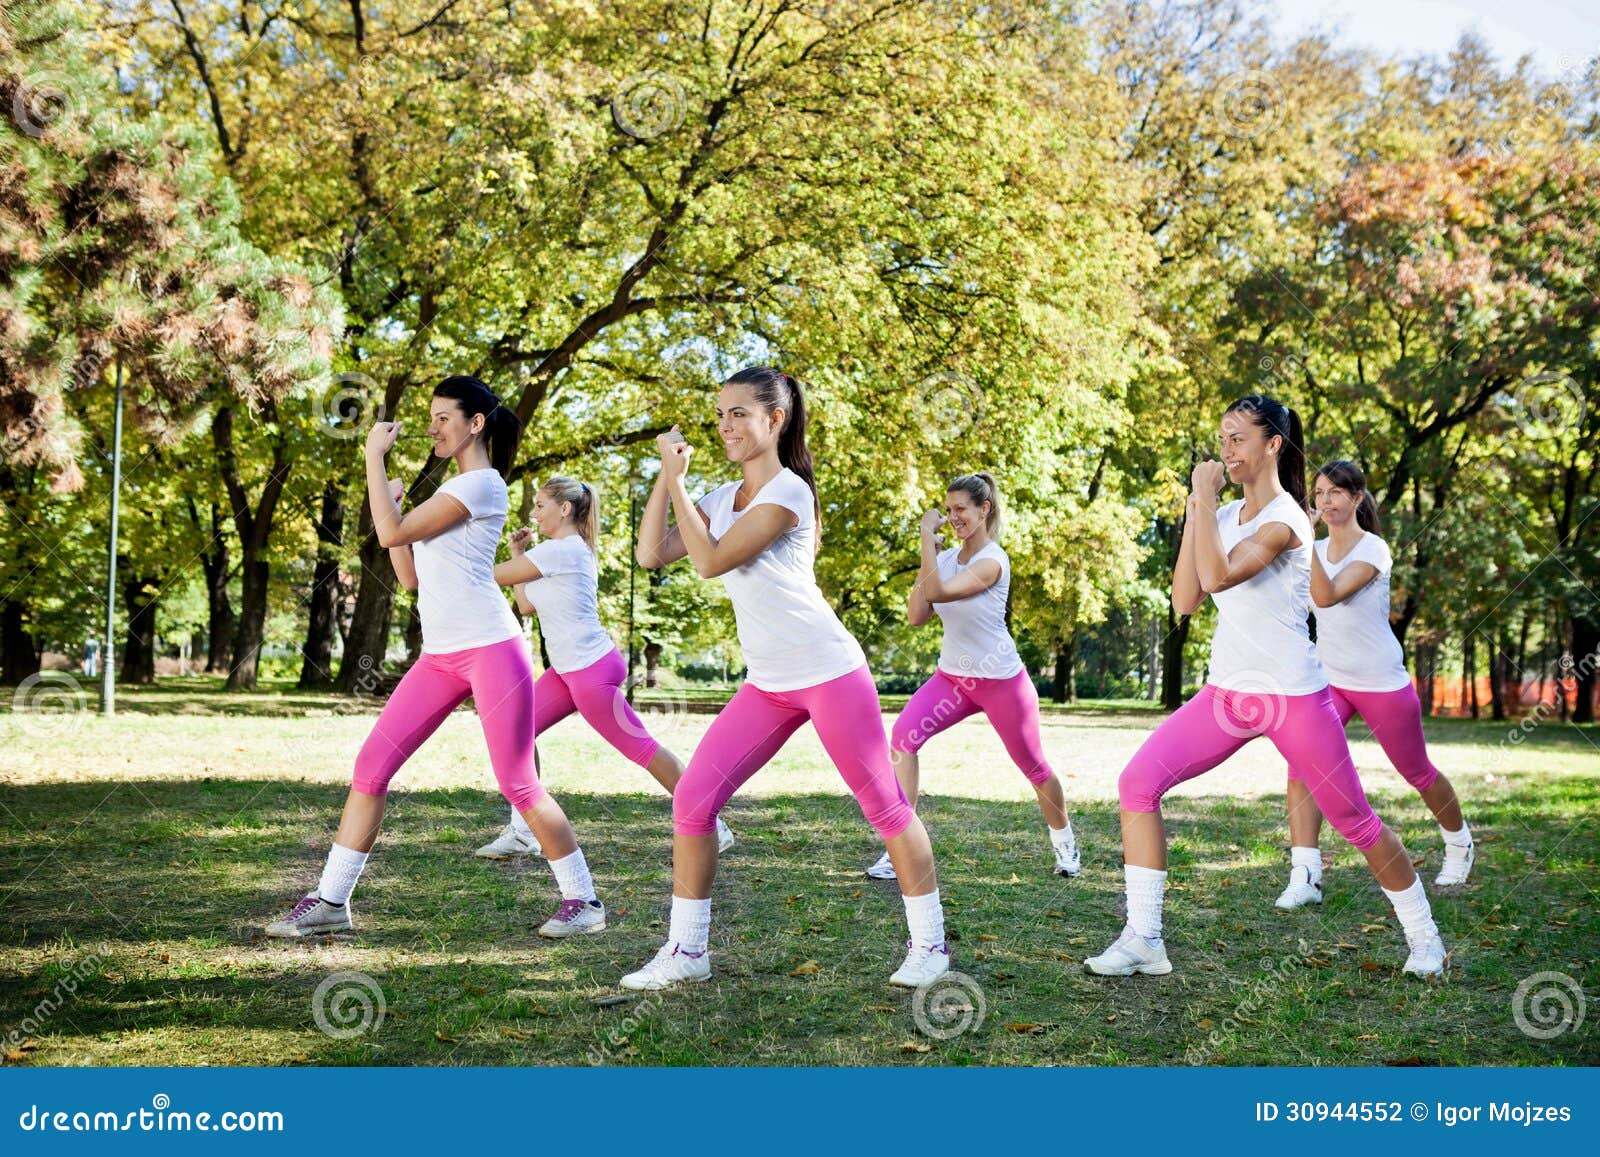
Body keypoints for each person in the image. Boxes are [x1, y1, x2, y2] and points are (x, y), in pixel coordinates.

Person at [1085, 395, 1448, 979]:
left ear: (1273, 443)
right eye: (1222, 439)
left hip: (1292, 697)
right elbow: (1186, 599)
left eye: (1238, 438)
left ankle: (1426, 938)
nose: (1226, 450)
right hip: (1228, 694)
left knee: (1355, 821)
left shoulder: (1289, 519)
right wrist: (1200, 511)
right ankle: (1144, 938)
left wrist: (1203, 500)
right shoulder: (1222, 513)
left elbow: (1219, 575)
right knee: (1137, 783)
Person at [619, 366, 949, 991]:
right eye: (720, 415)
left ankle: (931, 946)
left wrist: (681, 483)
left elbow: (711, 561)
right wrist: (667, 478)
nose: (725, 426)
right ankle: (688, 951)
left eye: (739, 414)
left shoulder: (790, 493)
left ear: (775, 419)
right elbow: (651, 554)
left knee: (884, 805)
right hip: (768, 683)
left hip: (828, 673)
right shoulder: (720, 497)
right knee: (693, 799)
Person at [265, 376, 605, 941]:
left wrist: (374, 459)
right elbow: (408, 575)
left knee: (518, 782)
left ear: (476, 423)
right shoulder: (449, 492)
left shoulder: (484, 485)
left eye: (443, 417)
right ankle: (330, 901)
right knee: (371, 768)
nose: (432, 427)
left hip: (491, 648)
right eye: (432, 417)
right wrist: (395, 506)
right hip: (440, 655)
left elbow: (389, 530)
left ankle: (584, 901)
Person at [475, 475, 733, 858]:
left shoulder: (563, 550)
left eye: (541, 506)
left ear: (564, 509)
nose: (535, 513)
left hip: (590, 672)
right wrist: (517, 551)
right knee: (517, 731)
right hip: (567, 672)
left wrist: (457, 557)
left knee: (642, 749)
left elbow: (488, 576)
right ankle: (525, 831)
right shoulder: (555, 552)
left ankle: (713, 824)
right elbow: (526, 605)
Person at [1275, 460, 1474, 909]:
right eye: (1319, 493)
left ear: (1357, 497)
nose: (1324, 500)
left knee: (1417, 771)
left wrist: (1303, 540)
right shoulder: (1314, 548)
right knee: (1302, 765)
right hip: (1329, 680)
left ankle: (1459, 841)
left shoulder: (1375, 549)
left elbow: (1327, 595)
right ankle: (1305, 875)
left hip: (1381, 679)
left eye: (1334, 492)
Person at [864, 471, 1079, 881]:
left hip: (1001, 682)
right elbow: (917, 615)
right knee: (903, 738)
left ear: (984, 509)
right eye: (948, 510)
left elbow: (940, 593)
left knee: (1034, 767)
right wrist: (930, 556)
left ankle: (1064, 842)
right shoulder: (944, 561)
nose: (953, 517)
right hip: (953, 681)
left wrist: (926, 539)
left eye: (960, 509)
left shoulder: (993, 561)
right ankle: (901, 848)